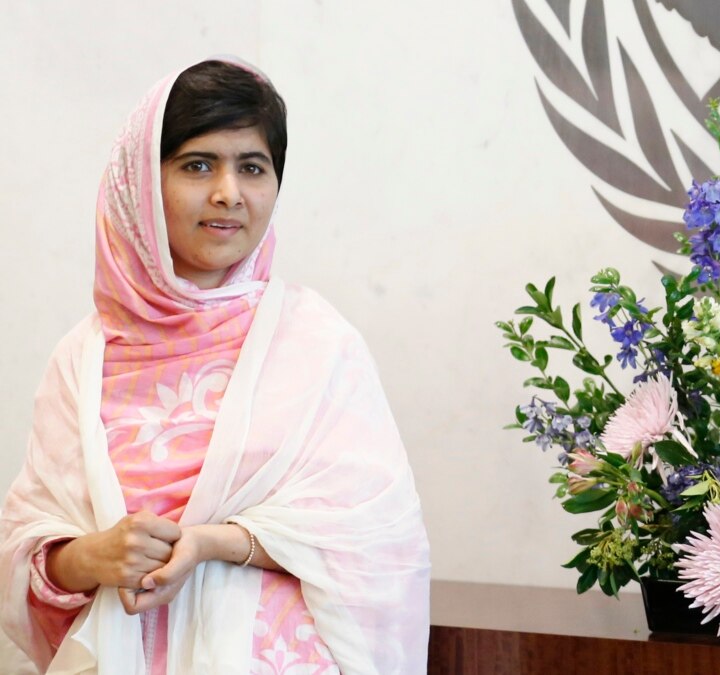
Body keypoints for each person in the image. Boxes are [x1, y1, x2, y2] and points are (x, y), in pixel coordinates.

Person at [0, 58, 431, 674]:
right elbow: (26, 551)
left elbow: (377, 544)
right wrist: (92, 556)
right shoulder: (83, 358)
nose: (229, 192)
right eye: (198, 164)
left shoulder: (316, 344)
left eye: (252, 167)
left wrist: (212, 543)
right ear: (142, 182)